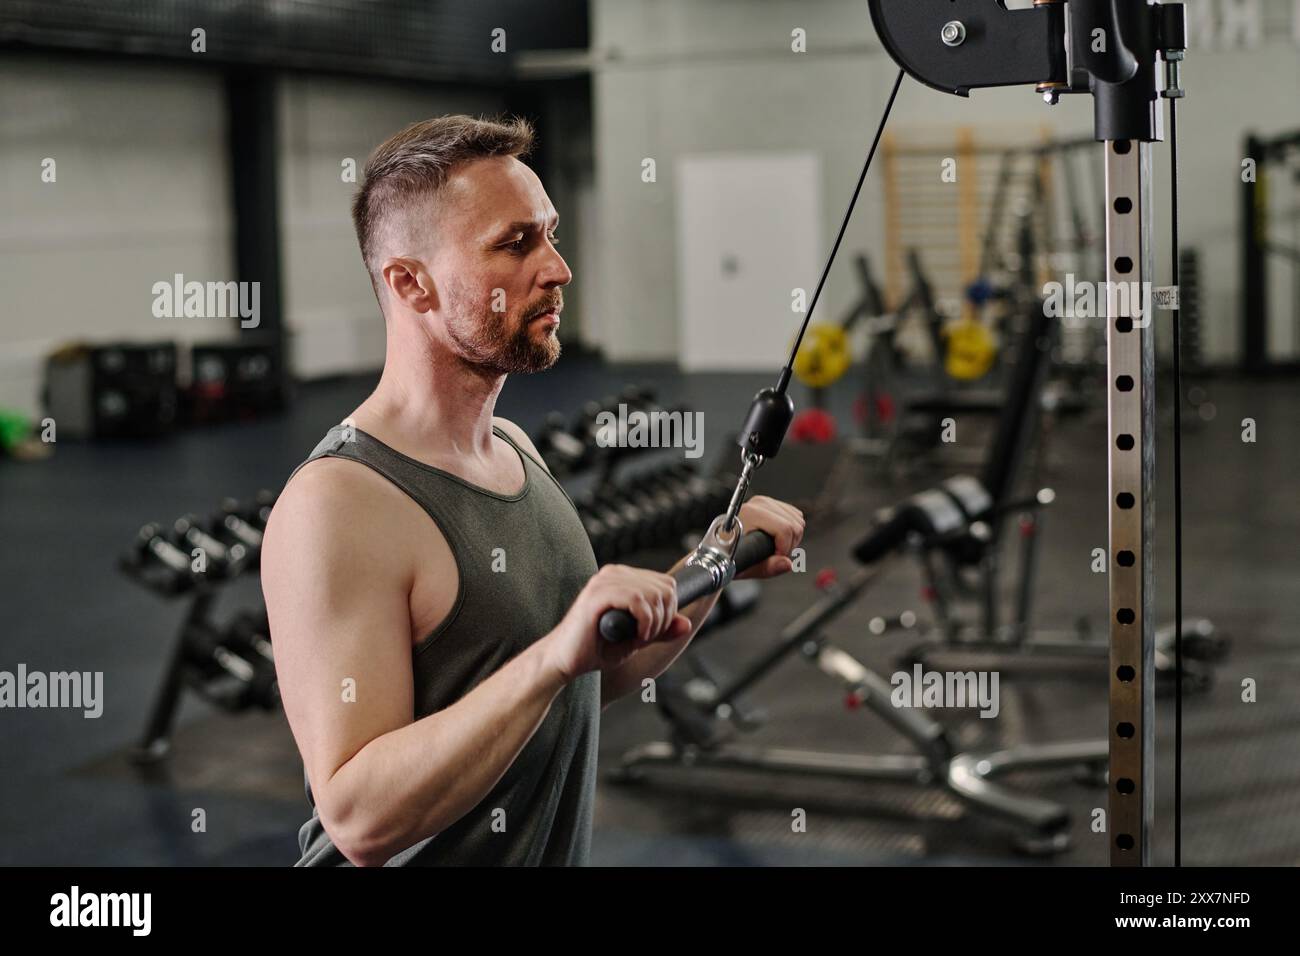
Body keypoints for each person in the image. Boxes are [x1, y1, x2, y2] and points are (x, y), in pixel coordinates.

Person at [261, 114, 805, 866]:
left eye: (550, 235)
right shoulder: (342, 504)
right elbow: (358, 819)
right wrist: (550, 659)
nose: (556, 268)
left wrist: (715, 563)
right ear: (411, 283)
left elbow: (586, 682)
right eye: (515, 244)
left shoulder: (514, 450)